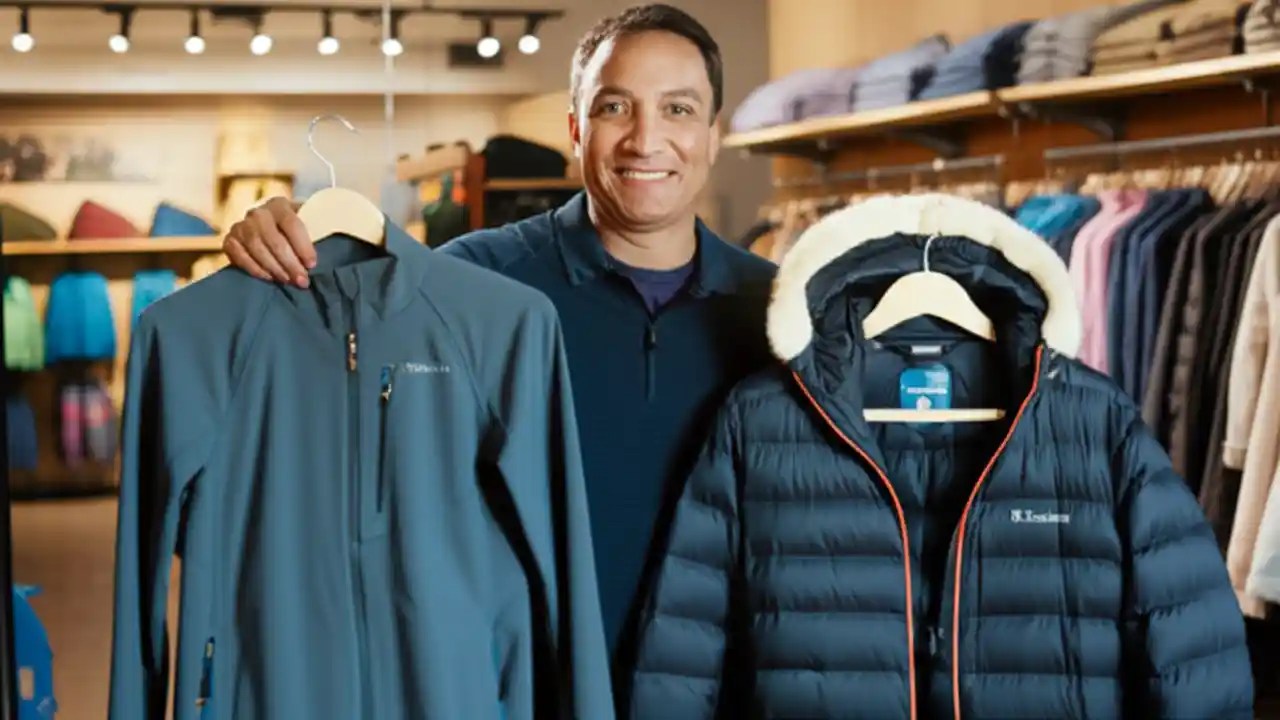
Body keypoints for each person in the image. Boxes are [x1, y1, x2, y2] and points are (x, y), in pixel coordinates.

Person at [219, 2, 777, 709]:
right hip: (524, 688)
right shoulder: (473, 282)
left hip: (717, 693)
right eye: (615, 106)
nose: (646, 138)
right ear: (576, 128)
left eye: (677, 109)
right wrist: (279, 252)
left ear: (712, 134)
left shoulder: (775, 314)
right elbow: (329, 384)